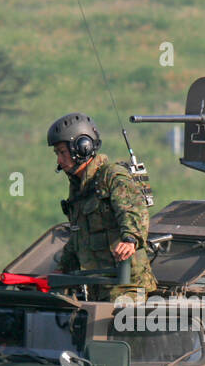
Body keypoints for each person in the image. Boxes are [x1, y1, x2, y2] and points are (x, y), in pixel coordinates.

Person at [48, 112, 156, 300]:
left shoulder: (111, 176)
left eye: (62, 152)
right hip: (95, 285)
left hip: (125, 285)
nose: (59, 160)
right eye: (57, 154)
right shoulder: (79, 189)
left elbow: (133, 210)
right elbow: (78, 237)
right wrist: (61, 270)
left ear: (82, 147)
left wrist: (130, 239)